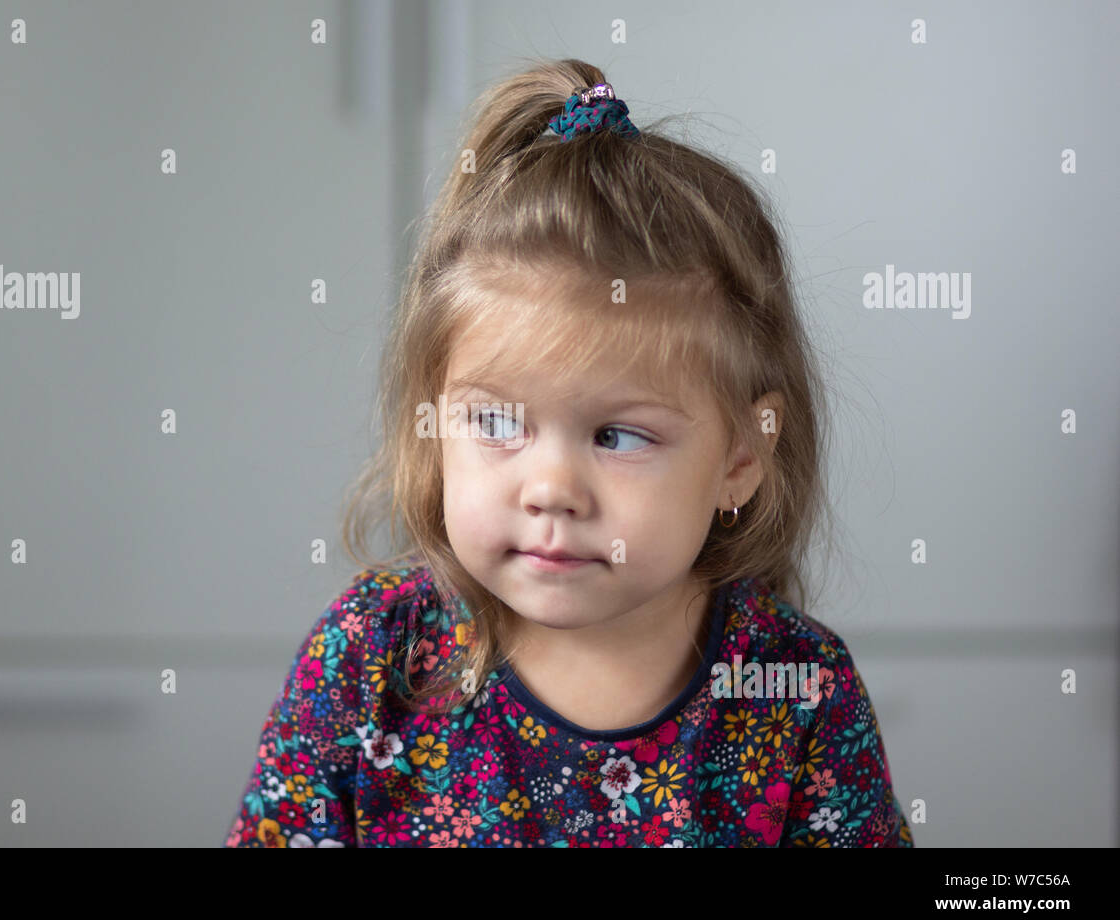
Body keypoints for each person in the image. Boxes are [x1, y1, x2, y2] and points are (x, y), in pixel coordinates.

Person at [225, 58, 913, 847]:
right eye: (495, 424)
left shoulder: (798, 690)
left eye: (618, 436)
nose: (551, 489)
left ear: (742, 457)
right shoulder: (371, 657)